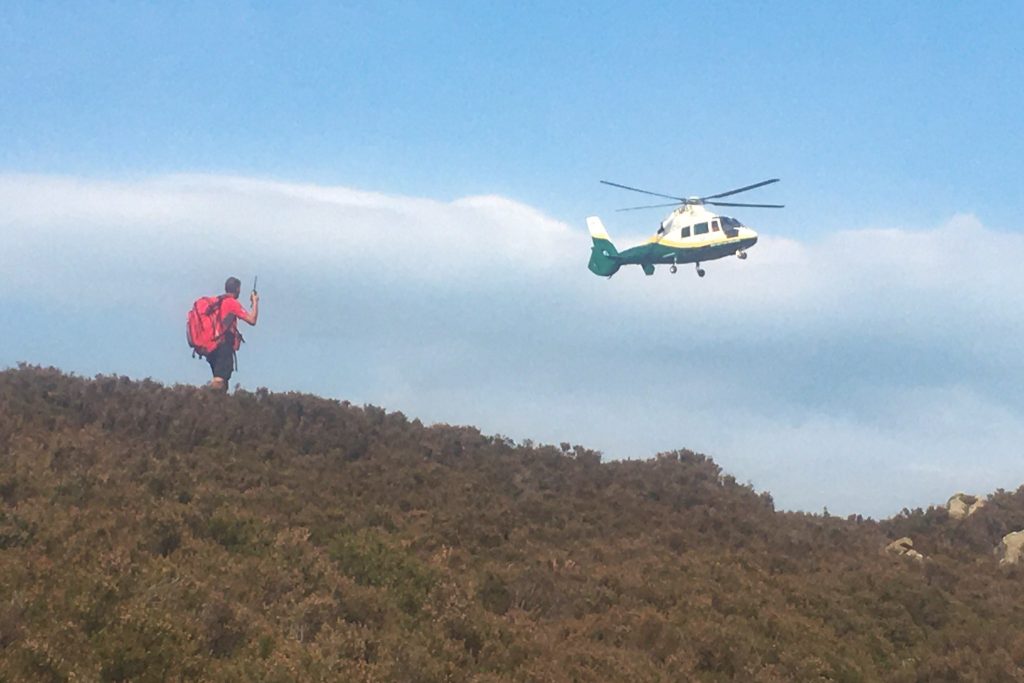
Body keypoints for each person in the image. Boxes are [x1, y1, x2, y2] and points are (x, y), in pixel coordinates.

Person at [207, 276, 259, 392]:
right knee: (219, 381)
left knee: (222, 379)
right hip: (223, 345)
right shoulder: (232, 303)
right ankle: (207, 403)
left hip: (212, 346)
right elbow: (252, 320)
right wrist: (255, 302)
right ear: (236, 289)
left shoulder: (218, 302)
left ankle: (217, 405)